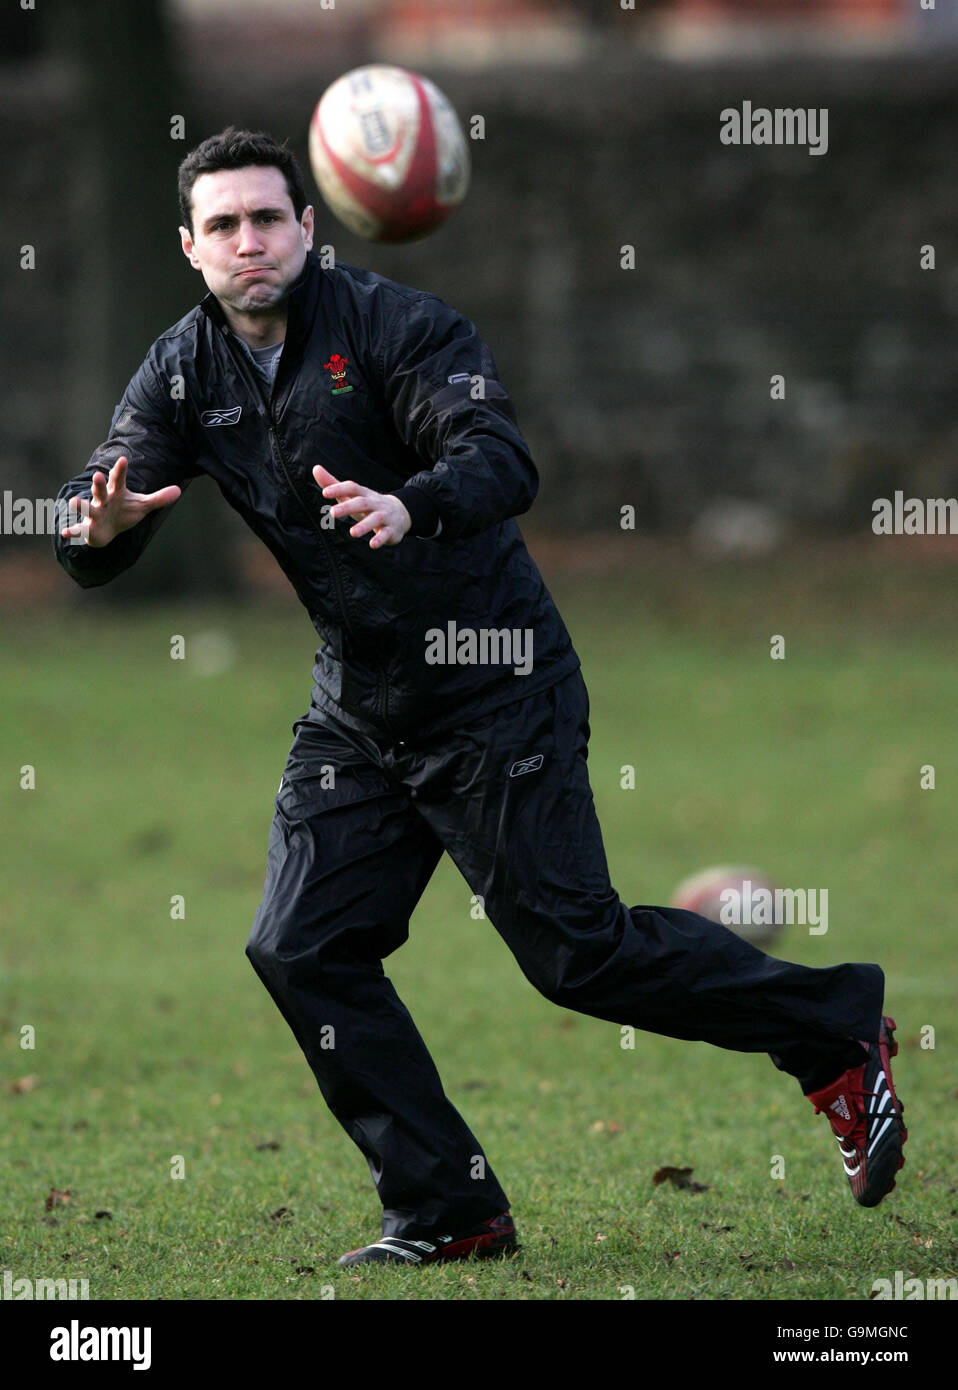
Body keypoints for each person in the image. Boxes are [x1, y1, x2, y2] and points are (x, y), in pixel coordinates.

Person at [54, 129, 907, 1268]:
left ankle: (832, 1027)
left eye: (268, 218)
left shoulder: (401, 328)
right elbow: (105, 491)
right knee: (300, 948)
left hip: (494, 681)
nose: (247, 241)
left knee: (576, 955)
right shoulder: (181, 367)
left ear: (310, 226)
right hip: (359, 705)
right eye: (223, 225)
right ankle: (448, 1209)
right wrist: (89, 527)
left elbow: (499, 456)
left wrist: (413, 502)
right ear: (189, 248)